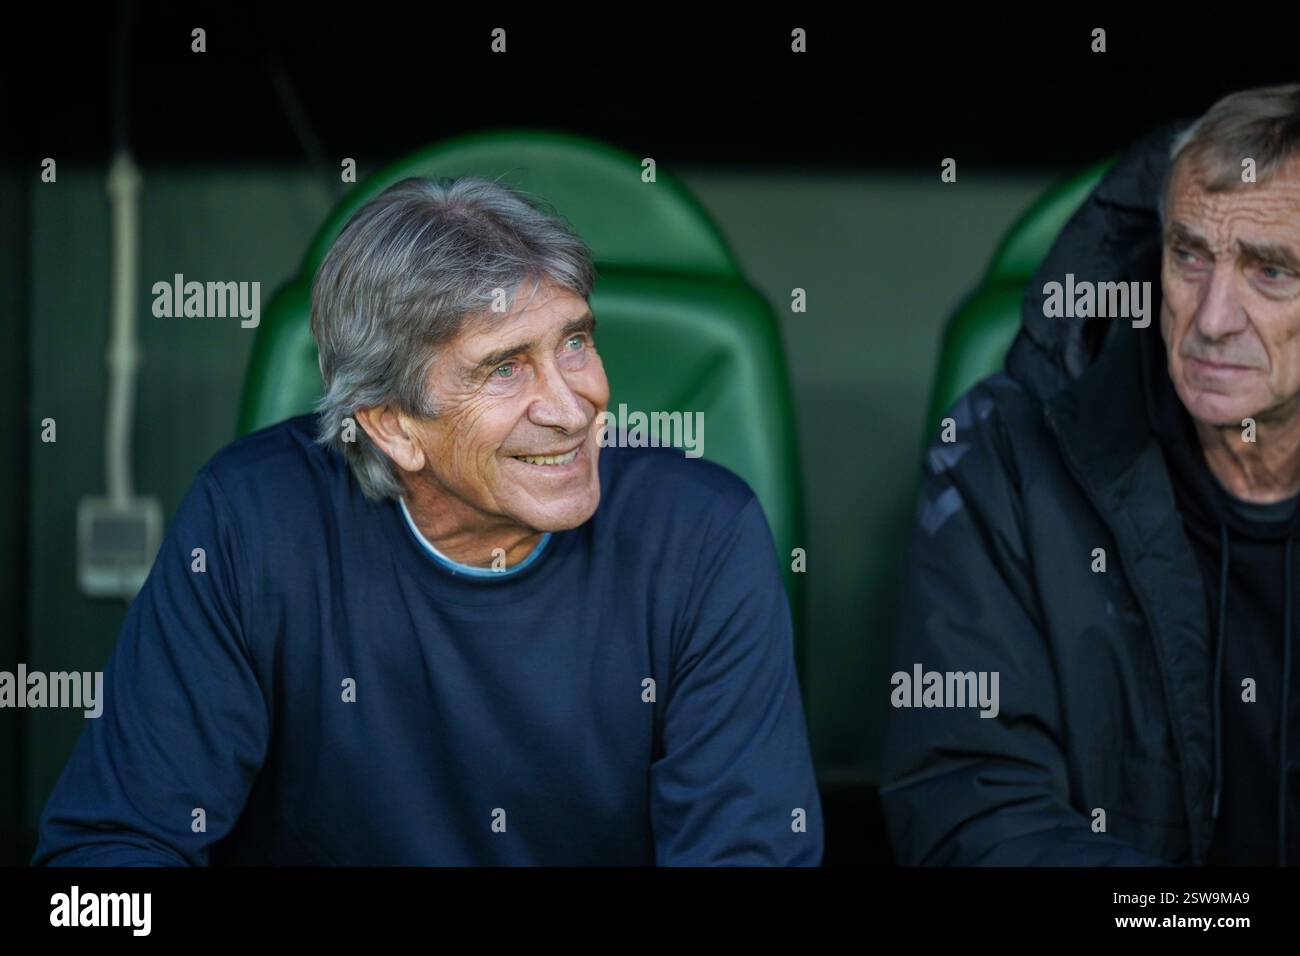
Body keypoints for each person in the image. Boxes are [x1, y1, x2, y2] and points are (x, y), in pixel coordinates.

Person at [33, 176, 822, 866]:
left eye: (575, 342)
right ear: (392, 426)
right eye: (505, 368)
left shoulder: (704, 535)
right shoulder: (250, 521)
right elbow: (115, 846)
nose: (573, 404)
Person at [882, 84, 1300, 865]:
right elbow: (966, 805)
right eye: (1189, 256)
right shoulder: (1005, 450)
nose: (1211, 319)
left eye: (1270, 272)